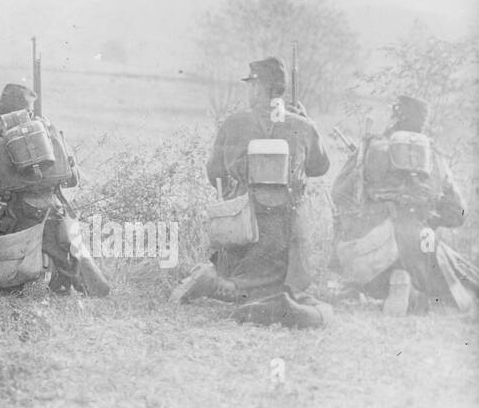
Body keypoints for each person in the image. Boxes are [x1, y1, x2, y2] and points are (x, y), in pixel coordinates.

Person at [172, 56, 332, 328]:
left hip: (243, 228)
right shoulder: (304, 126)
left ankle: (217, 283)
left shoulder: (234, 123)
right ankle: (241, 292)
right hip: (289, 231)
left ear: (259, 87)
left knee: (247, 281)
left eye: (250, 85)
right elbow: (320, 167)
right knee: (294, 292)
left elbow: (215, 174)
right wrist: (305, 122)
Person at [331, 95, 476, 314]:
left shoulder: (371, 147)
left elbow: (338, 193)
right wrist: (428, 219)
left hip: (373, 245)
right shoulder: (435, 157)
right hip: (419, 242)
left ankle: (393, 282)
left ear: (395, 117)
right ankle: (412, 288)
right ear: (422, 124)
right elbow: (459, 213)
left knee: (359, 261)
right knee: (453, 272)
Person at [0, 84, 109, 295]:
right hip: (53, 210)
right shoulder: (50, 135)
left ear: (0, 113)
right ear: (31, 111)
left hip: (11, 213)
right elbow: (73, 179)